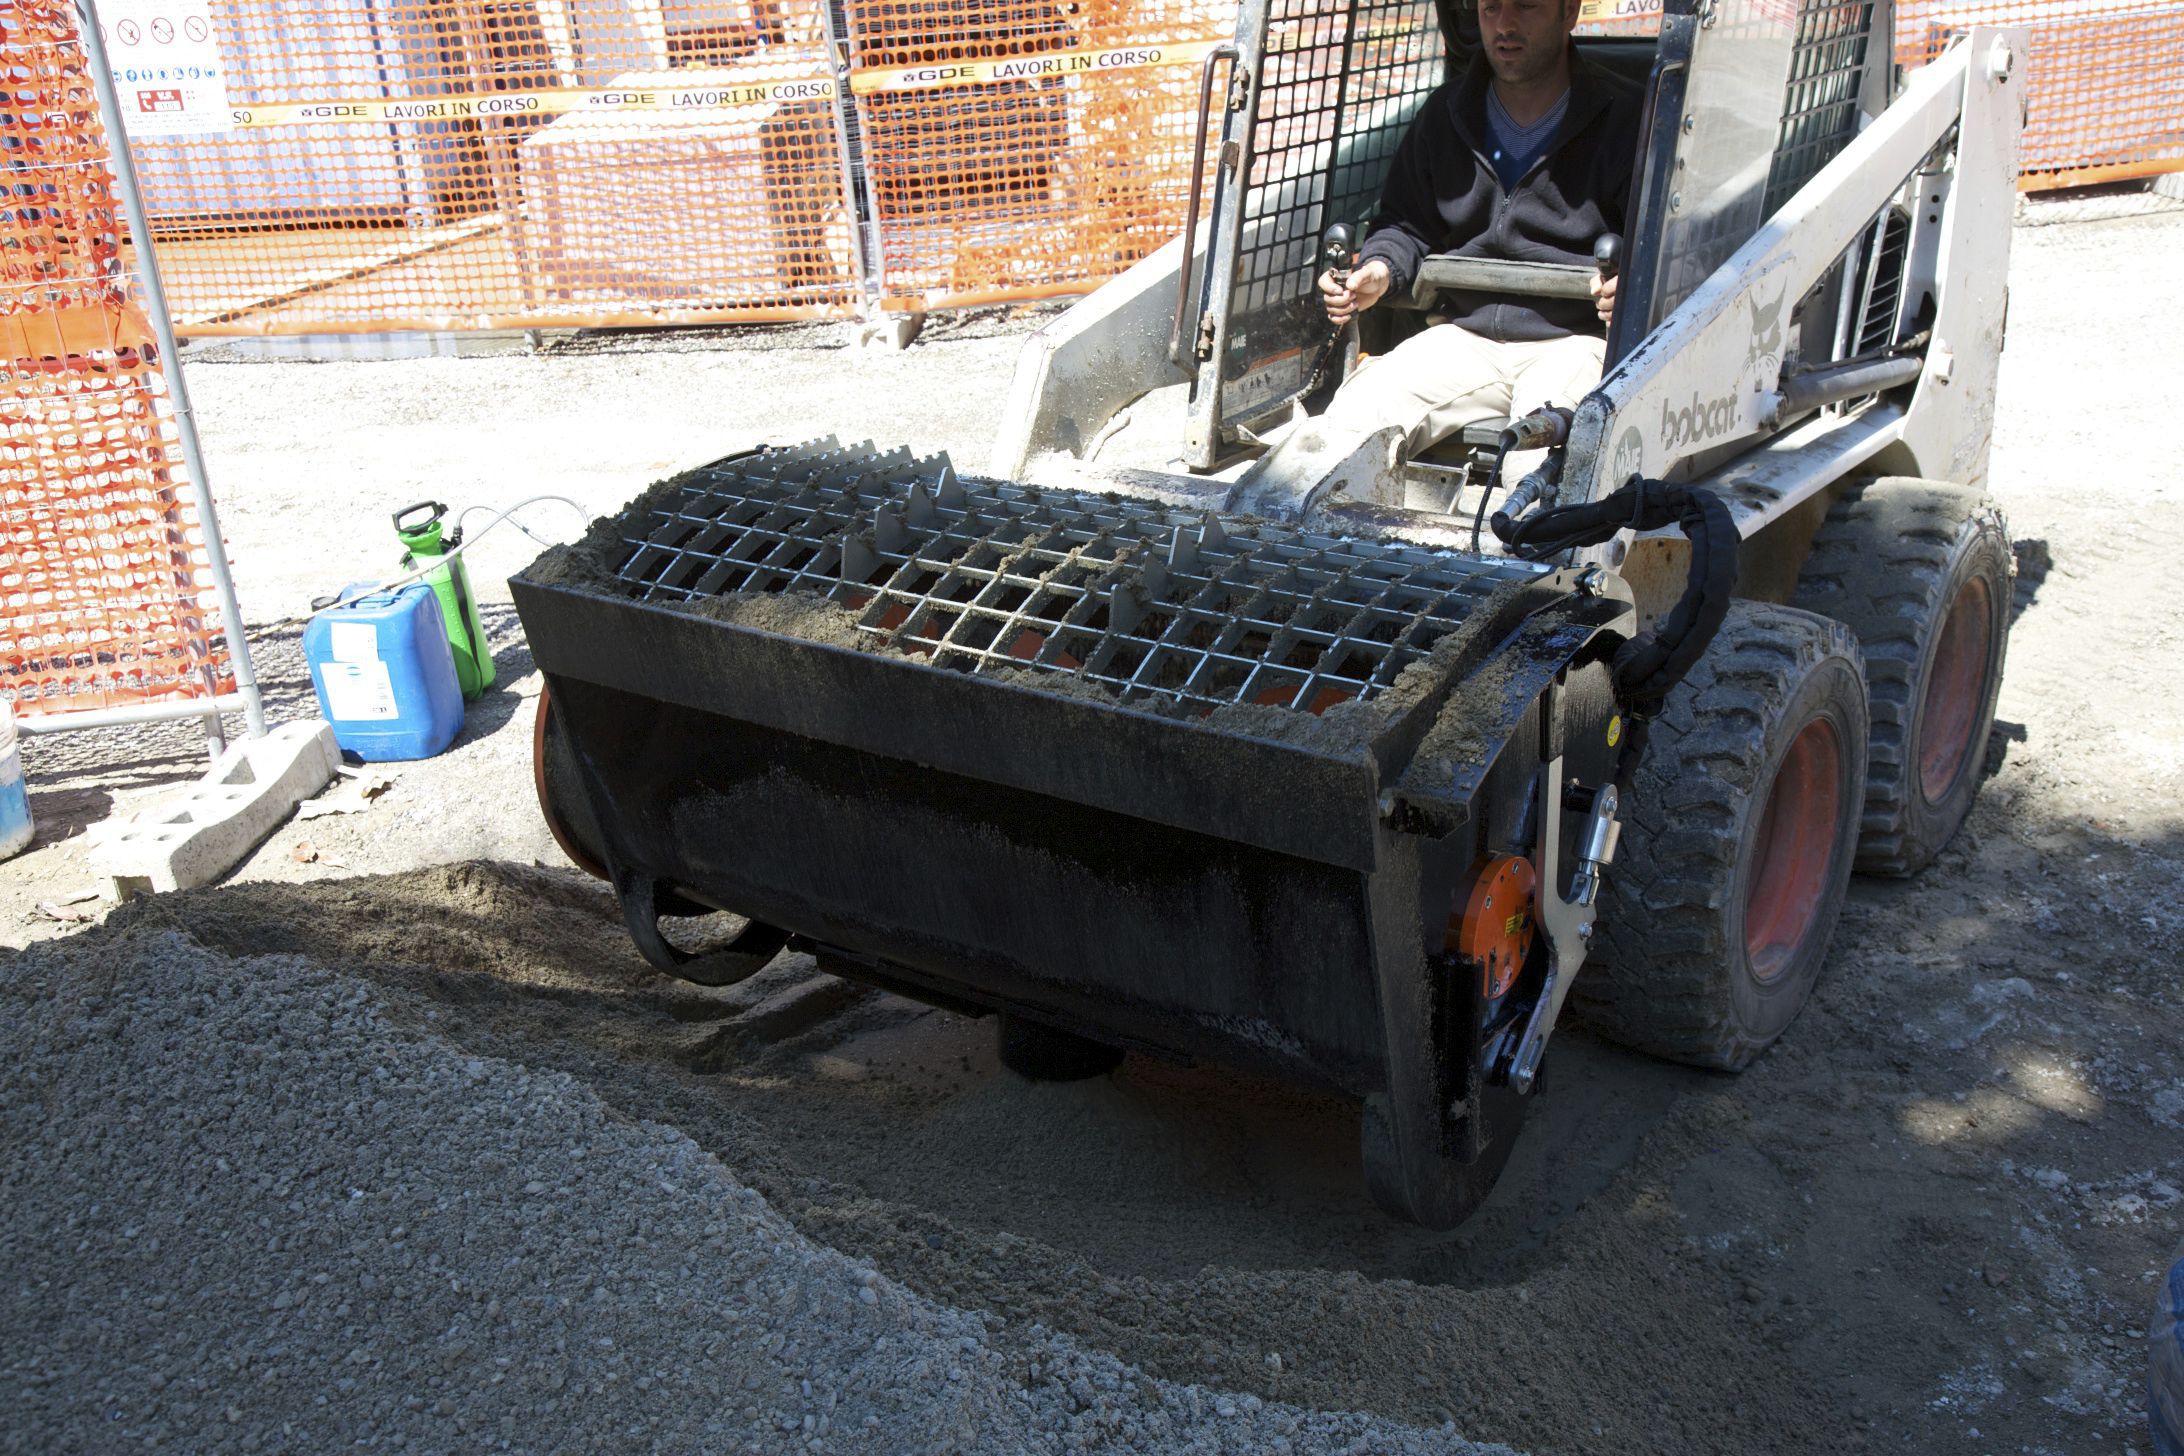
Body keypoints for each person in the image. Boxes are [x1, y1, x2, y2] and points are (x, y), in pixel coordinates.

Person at [1235, 0, 1642, 508]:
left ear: (1570, 12)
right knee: (1340, 433)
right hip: (1463, 335)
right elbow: (1405, 225)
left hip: (1572, 342)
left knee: (1542, 472)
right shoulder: (1445, 115)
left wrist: (1630, 285)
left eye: (1526, 6)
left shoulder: (1628, 120)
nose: (1505, 25)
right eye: (1491, 8)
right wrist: (1378, 270)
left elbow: (1663, 247)